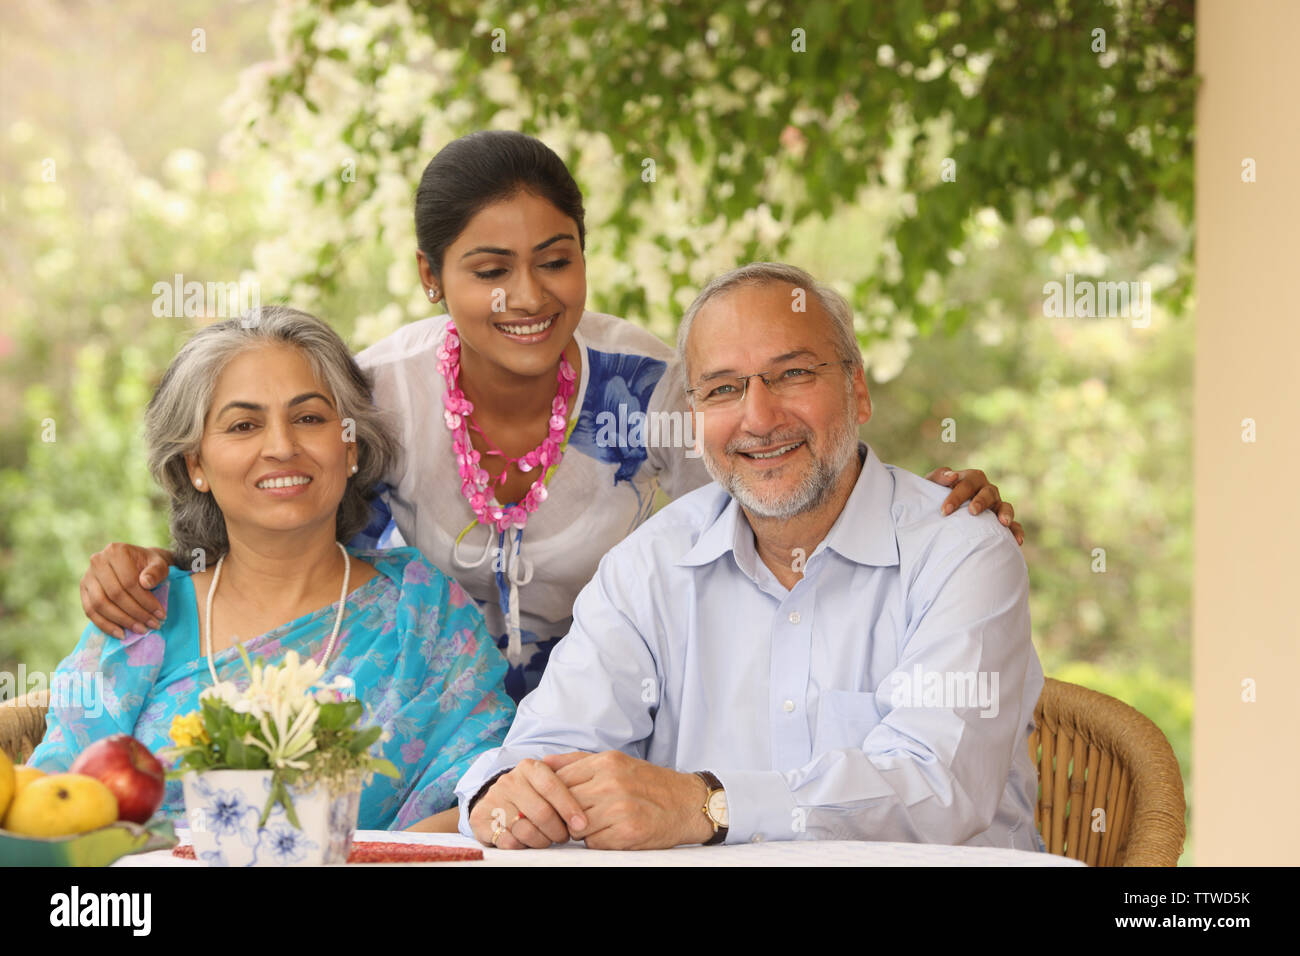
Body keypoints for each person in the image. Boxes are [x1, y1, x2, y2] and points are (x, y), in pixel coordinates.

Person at [77, 131, 1023, 704]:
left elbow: (785, 470)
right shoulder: (383, 394)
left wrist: (921, 509)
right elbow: (284, 520)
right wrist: (173, 567)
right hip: (423, 708)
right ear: (429, 275)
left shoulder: (647, 382)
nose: (528, 296)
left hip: (630, 709)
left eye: (556, 259)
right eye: (488, 270)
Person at [456, 263, 1044, 852]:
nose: (759, 419)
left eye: (791, 374)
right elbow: (547, 750)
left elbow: (937, 788)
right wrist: (504, 795)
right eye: (723, 388)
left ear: (857, 390)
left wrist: (707, 804)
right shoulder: (649, 567)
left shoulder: (962, 550)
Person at [29, 307, 515, 831]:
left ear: (349, 444)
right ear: (196, 465)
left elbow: (486, 799)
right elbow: (50, 804)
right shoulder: (142, 616)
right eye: (243, 425)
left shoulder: (421, 612)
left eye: (309, 418)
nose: (282, 447)